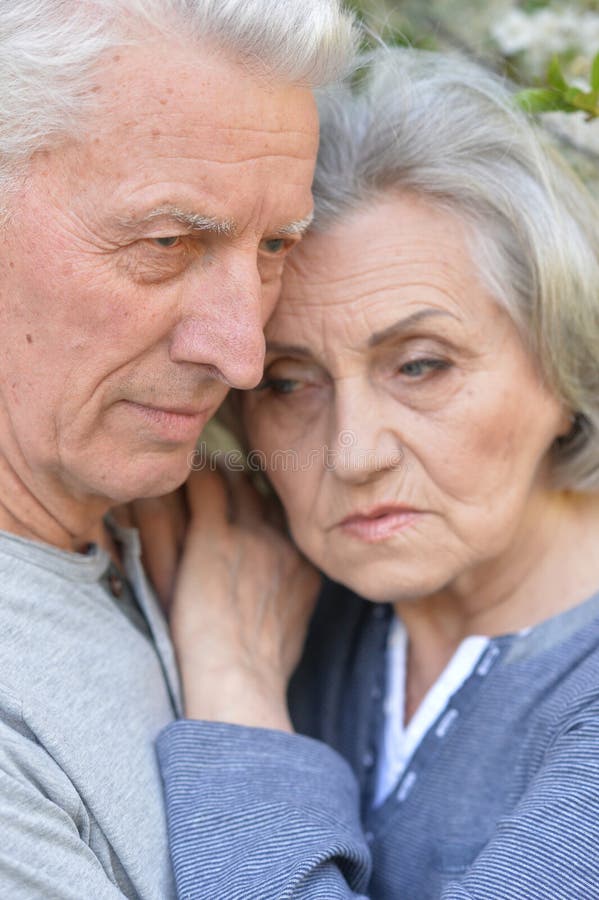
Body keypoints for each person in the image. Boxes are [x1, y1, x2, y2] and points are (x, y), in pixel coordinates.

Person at [153, 48, 599, 898]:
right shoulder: (293, 591)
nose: (353, 455)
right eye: (289, 383)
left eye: (420, 365)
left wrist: (235, 689)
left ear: (561, 359)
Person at [0, 1, 358, 897]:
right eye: (166, 243)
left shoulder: (230, 514)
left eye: (276, 246)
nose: (242, 356)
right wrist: (239, 683)